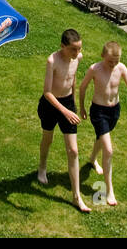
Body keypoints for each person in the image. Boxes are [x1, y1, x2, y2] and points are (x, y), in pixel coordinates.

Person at [79, 41, 127, 207]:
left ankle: (92, 159)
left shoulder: (121, 68)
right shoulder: (95, 69)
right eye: (110, 62)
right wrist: (82, 107)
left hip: (114, 111)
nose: (113, 65)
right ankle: (109, 190)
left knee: (101, 137)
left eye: (116, 61)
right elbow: (82, 87)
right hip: (99, 112)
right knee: (108, 148)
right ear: (102, 56)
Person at [38, 29, 89, 212]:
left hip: (67, 103)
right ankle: (42, 167)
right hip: (50, 104)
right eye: (73, 50)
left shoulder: (78, 58)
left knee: (73, 150)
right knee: (48, 138)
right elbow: (47, 92)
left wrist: (74, 105)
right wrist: (65, 111)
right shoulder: (52, 61)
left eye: (79, 49)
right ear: (62, 47)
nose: (76, 54)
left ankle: (76, 196)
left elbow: (72, 79)